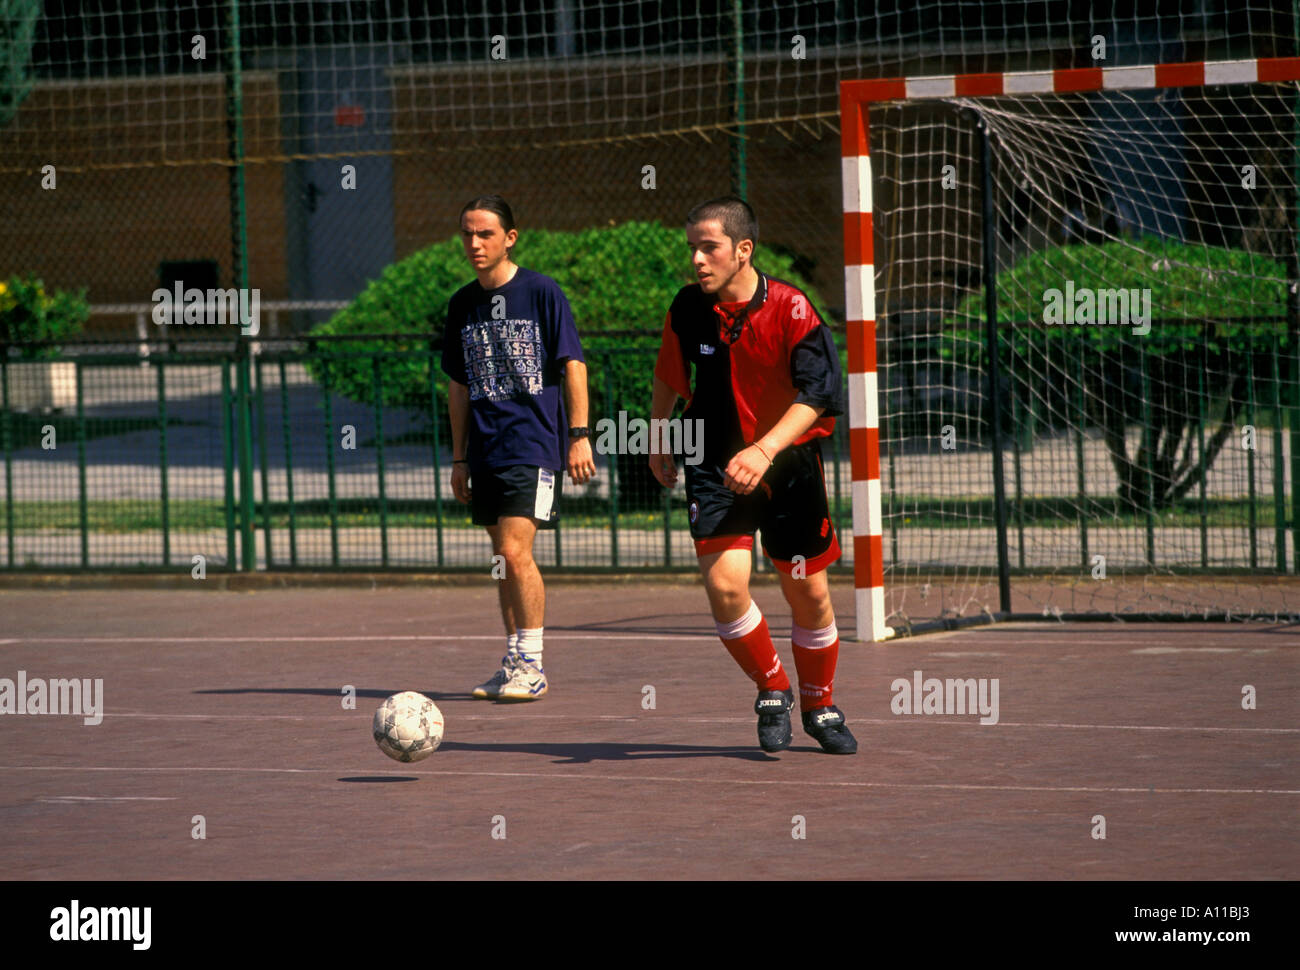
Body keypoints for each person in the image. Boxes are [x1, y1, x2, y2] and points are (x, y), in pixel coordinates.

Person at [648, 196, 856, 754]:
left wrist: (764, 451)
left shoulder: (793, 309)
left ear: (743, 250)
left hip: (786, 467)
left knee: (808, 594)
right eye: (691, 247)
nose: (696, 258)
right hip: (714, 463)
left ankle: (820, 702)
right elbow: (669, 371)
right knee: (724, 585)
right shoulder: (688, 307)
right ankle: (773, 688)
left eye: (708, 246)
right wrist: (657, 433)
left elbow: (819, 396)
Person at [441, 195, 595, 701]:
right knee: (501, 559)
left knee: (513, 550)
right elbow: (459, 386)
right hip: (485, 448)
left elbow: (573, 364)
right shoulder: (462, 304)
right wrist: (459, 457)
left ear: (510, 238)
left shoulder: (541, 292)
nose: (474, 243)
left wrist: (579, 435)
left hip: (534, 444)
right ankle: (513, 663)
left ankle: (532, 663)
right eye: (467, 233)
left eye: (485, 233)